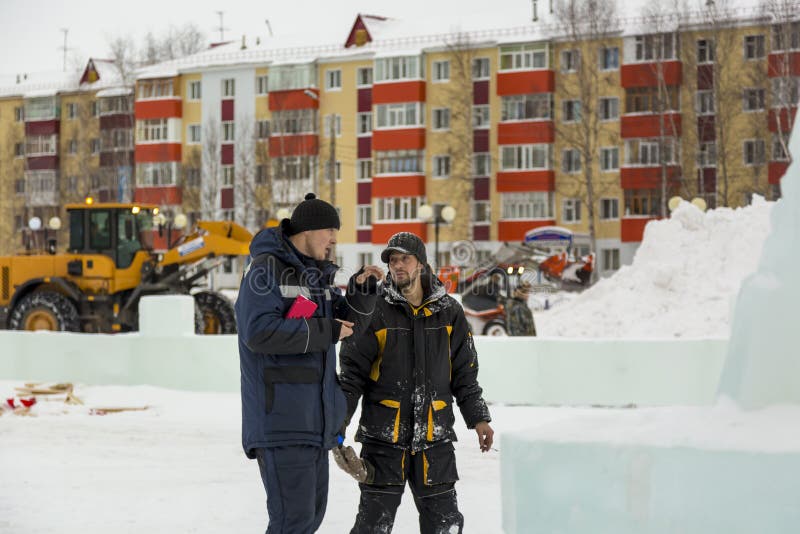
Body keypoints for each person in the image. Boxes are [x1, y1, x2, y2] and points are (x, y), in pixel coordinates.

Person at [236, 193, 383, 534]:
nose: (334, 239)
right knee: (293, 522)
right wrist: (326, 329)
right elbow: (258, 333)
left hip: (313, 424)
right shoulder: (265, 270)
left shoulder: (316, 278)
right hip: (281, 421)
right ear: (307, 231)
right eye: (330, 230)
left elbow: (346, 325)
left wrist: (362, 291)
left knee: (308, 520)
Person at [336, 231, 494, 534]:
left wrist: (479, 418)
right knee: (372, 527)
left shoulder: (449, 311)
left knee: (445, 527)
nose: (398, 266)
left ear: (421, 263)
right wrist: (337, 421)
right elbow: (351, 374)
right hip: (383, 442)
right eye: (393, 260)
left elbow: (465, 373)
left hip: (435, 441)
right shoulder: (374, 310)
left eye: (404, 259)